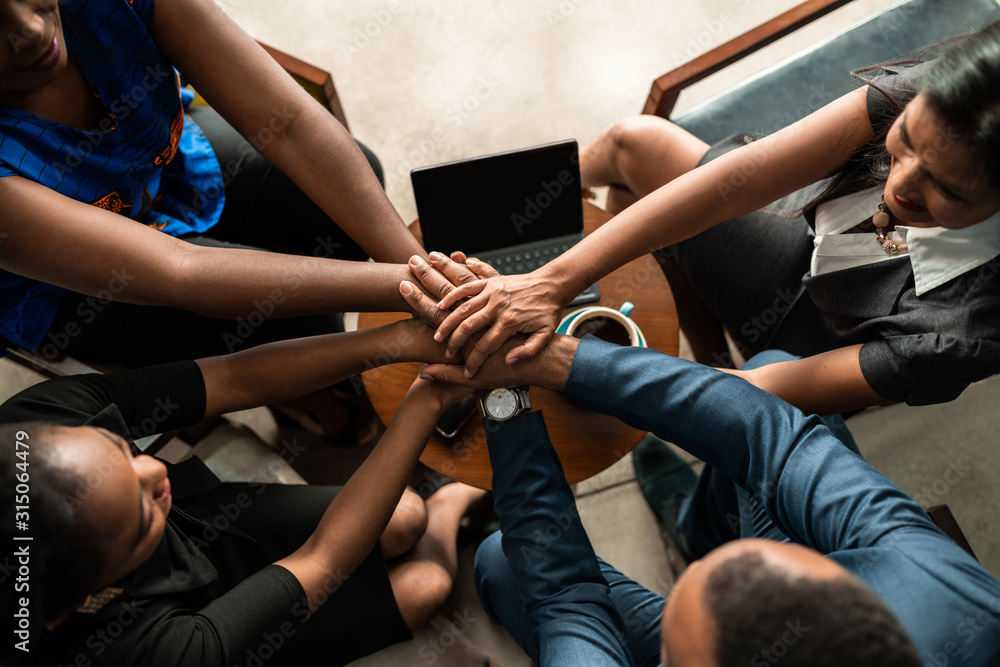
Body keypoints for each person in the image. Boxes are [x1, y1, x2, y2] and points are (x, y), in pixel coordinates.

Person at [406, 20, 1000, 417]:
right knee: (631, 144)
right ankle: (496, 226)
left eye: (943, 188)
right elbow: (740, 183)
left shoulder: (962, 332)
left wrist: (562, 365)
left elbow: (757, 393)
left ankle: (675, 334)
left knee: (715, 397)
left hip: (813, 352)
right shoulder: (953, 96)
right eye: (904, 141)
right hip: (801, 250)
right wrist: (548, 281)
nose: (899, 182)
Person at [412, 328, 1000, 666]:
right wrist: (554, 359)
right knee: (777, 378)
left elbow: (564, 593)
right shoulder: (940, 589)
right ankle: (699, 528)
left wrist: (505, 405)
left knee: (501, 561)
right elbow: (767, 435)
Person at [0, 317, 488, 667]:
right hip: (185, 628)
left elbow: (231, 378)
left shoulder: (38, 421)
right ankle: (453, 500)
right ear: (89, 596)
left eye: (120, 449)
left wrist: (397, 339)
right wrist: (427, 400)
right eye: (141, 510)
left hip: (194, 526)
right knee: (428, 587)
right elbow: (319, 559)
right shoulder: (143, 652)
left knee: (402, 516)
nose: (153, 468)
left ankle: (436, 506)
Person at [0, 0, 432, 367]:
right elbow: (183, 271)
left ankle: (316, 374)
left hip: (163, 163)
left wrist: (425, 273)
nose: (30, 32)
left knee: (353, 192)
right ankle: (316, 401)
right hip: (63, 285)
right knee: (299, 324)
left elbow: (289, 125)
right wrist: (427, 295)